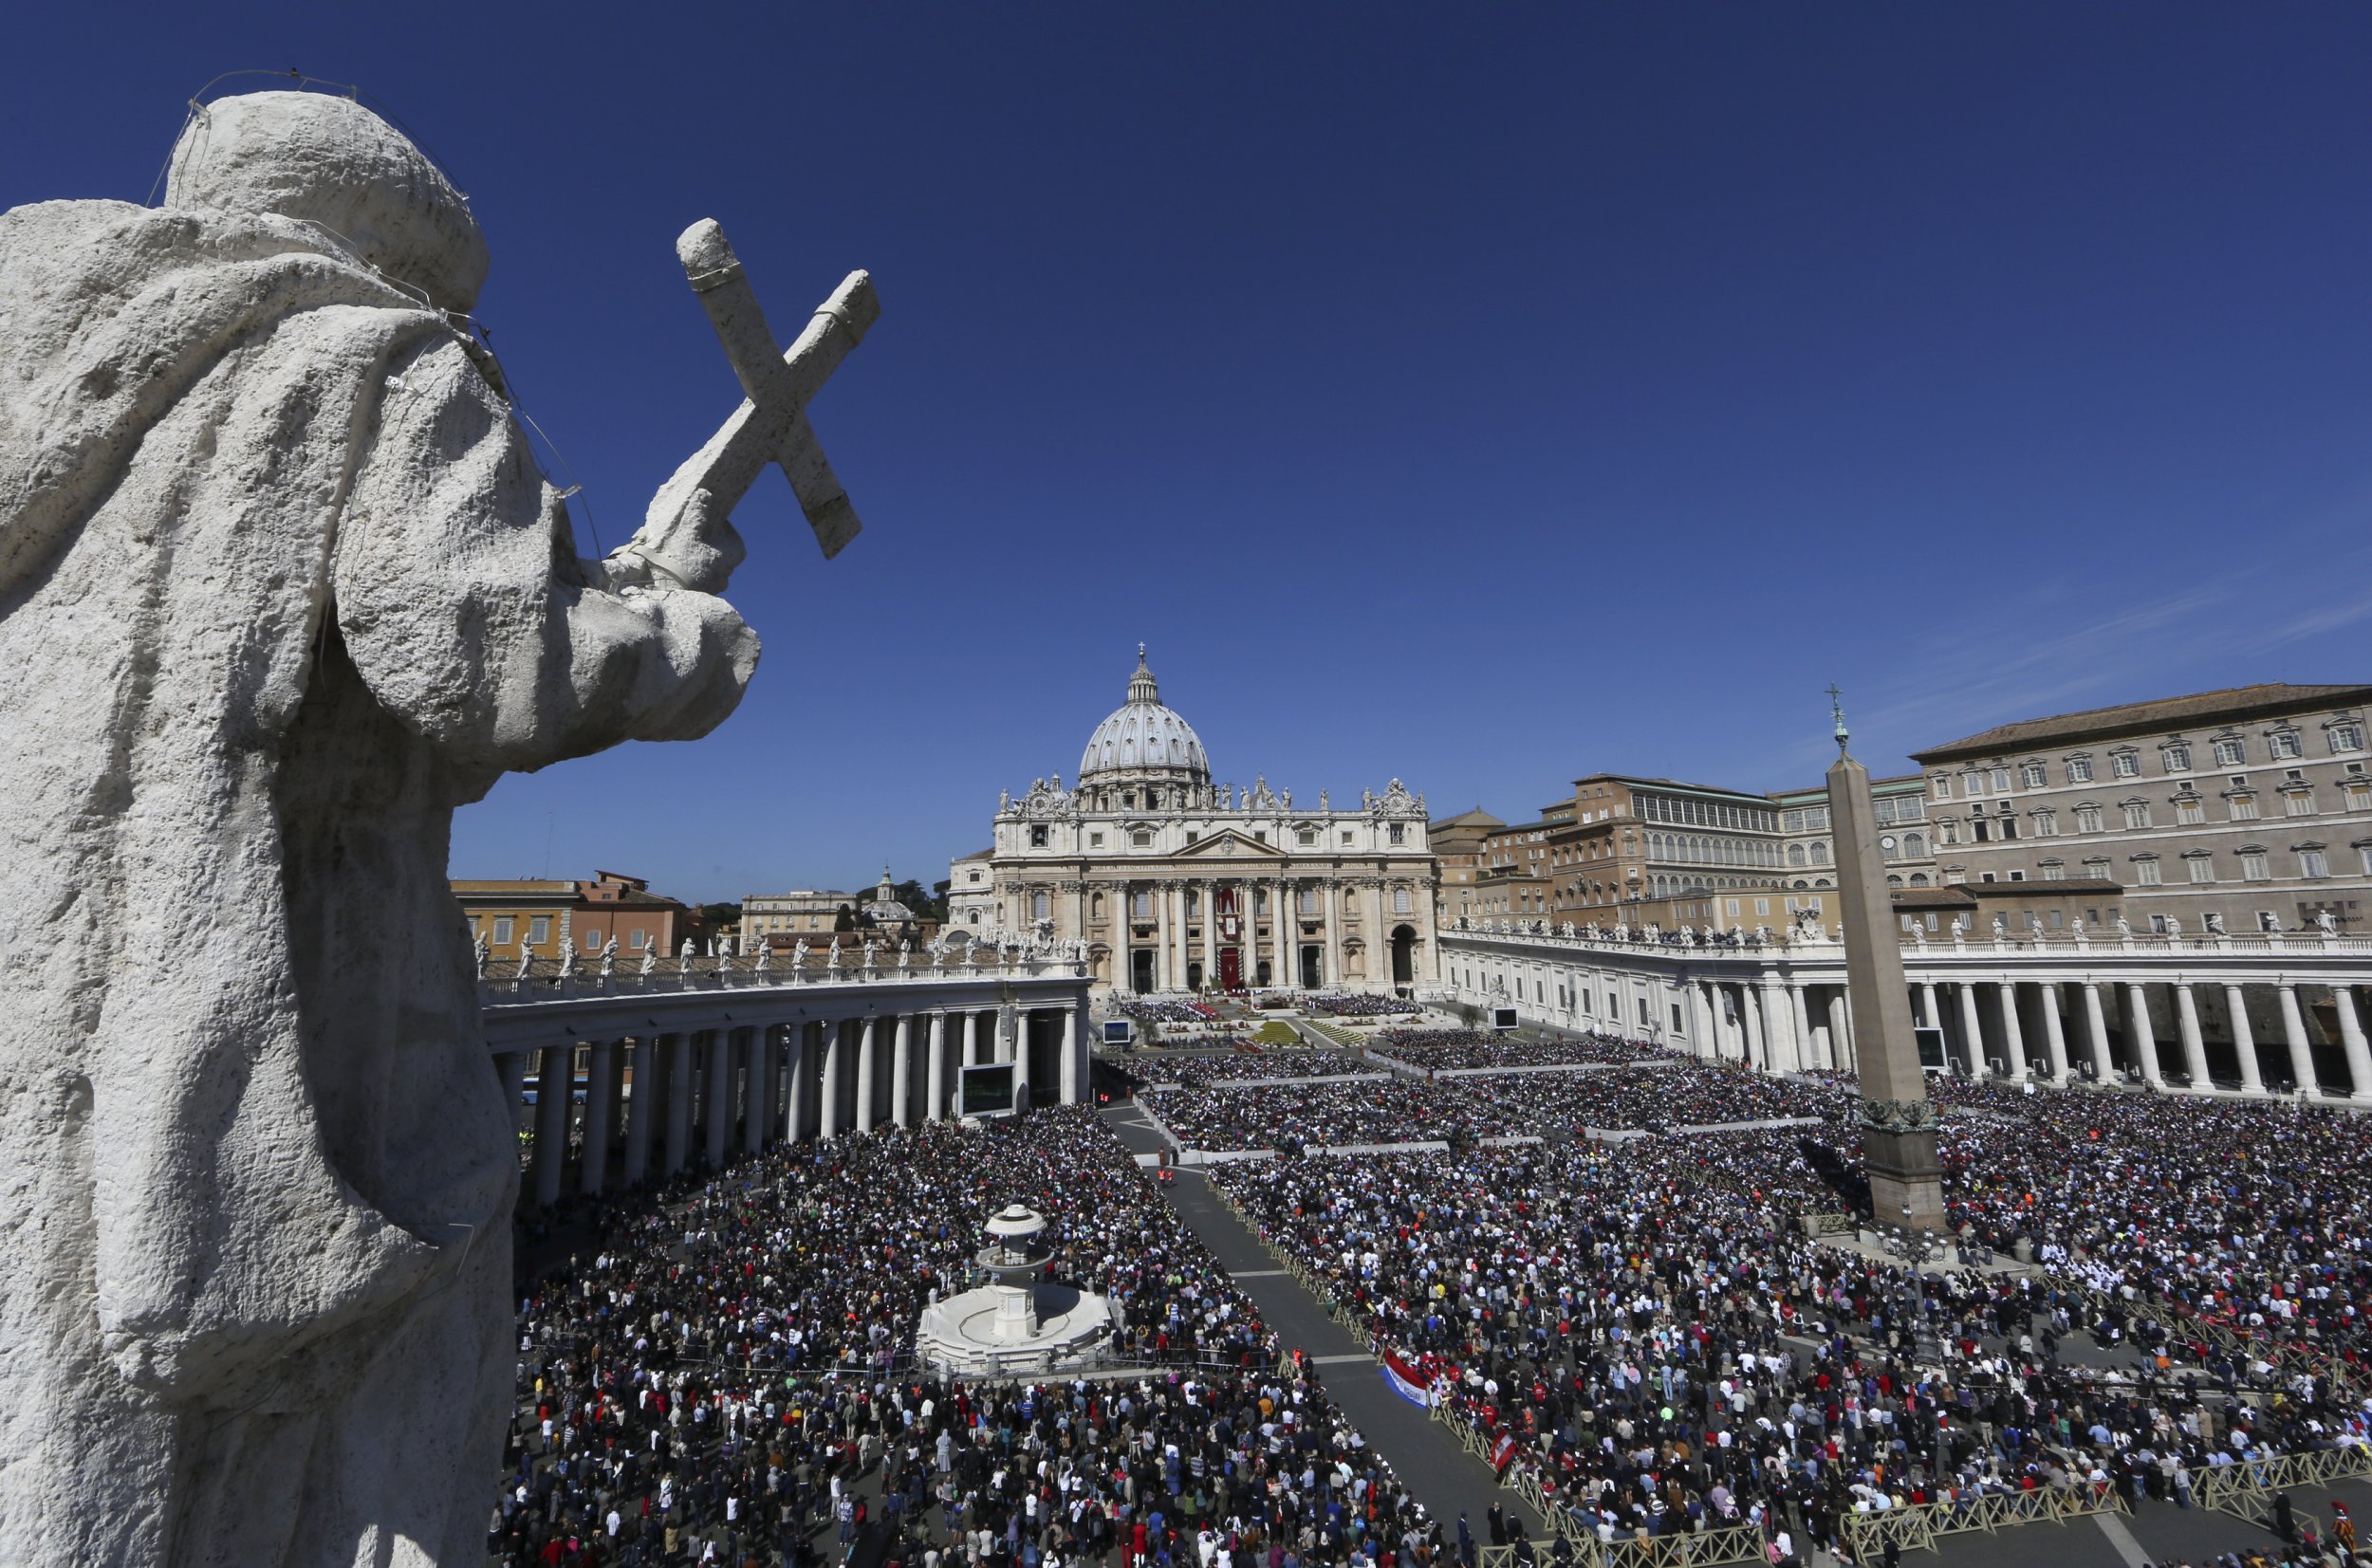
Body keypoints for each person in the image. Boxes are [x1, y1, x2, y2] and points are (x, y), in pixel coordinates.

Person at [0, 87, 759, 1566]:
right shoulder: (377, 349)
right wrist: (688, 630)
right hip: (294, 1018)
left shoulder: (64, 373)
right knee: (368, 1447)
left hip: (42, 1006)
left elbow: (370, 713)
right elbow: (483, 662)